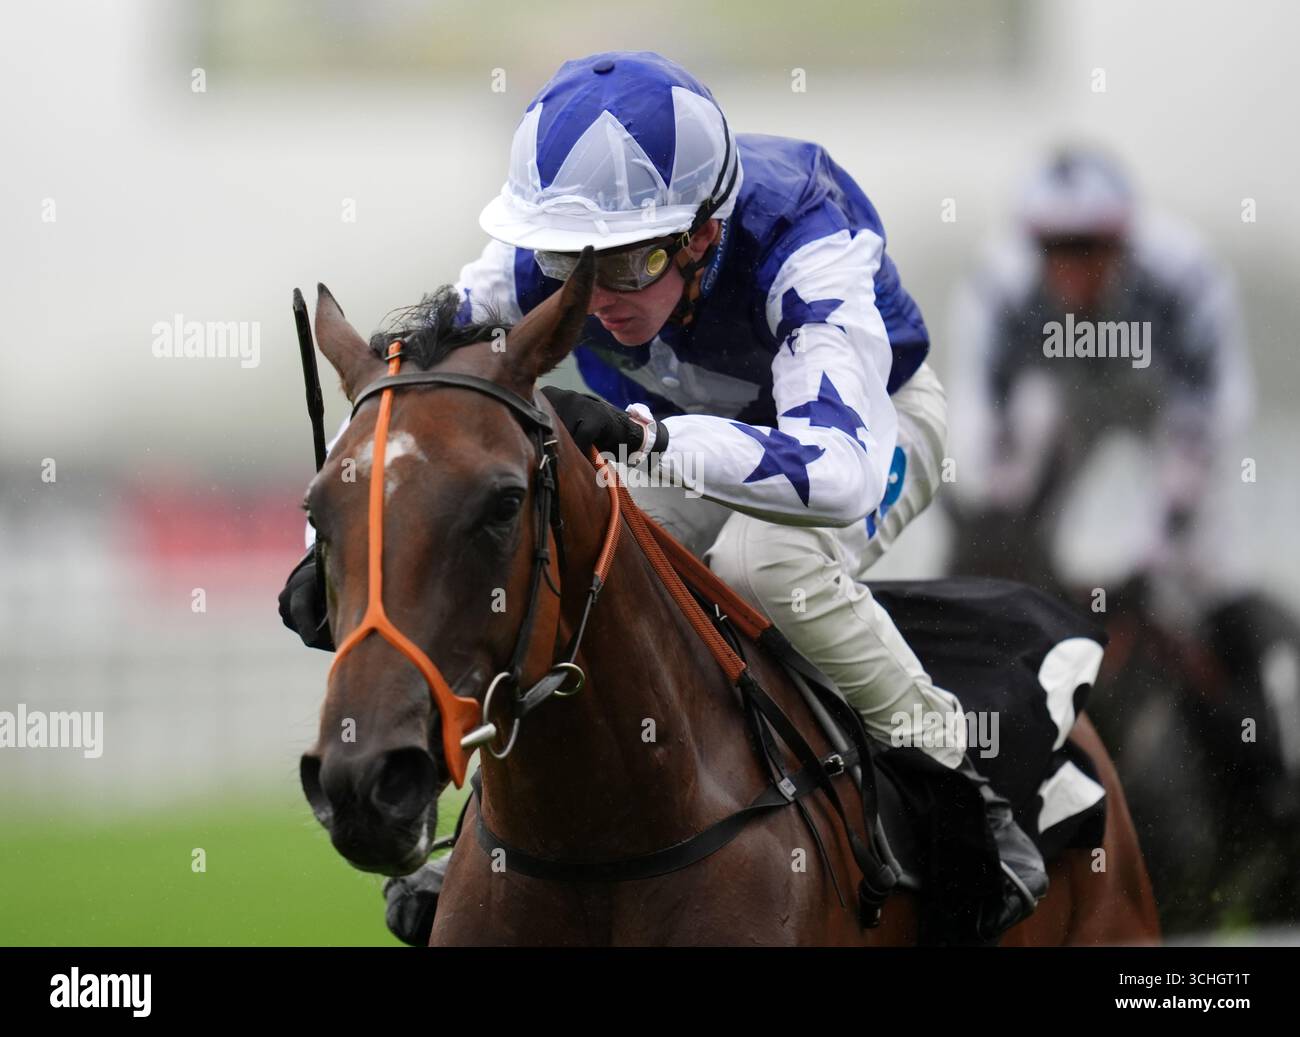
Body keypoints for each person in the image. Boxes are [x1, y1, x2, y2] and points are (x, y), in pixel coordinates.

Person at [282, 51, 1046, 944]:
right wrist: (330, 527)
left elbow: (833, 473)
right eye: (576, 262)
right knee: (575, 552)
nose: (601, 294)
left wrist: (646, 435)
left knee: (771, 560)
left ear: (704, 234)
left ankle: (959, 790)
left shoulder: (807, 238)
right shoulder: (542, 251)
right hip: (678, 431)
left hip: (870, 431)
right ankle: (489, 819)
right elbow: (407, 389)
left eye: (635, 263)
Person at [945, 147, 1255, 631]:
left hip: (1162, 404)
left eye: (1090, 247)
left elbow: (1216, 401)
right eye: (1056, 248)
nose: (1073, 266)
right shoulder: (1000, 285)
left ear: (1123, 241)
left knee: (1190, 558)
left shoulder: (1184, 273)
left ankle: (1220, 668)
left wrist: (1177, 508)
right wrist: (1001, 500)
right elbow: (981, 407)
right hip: (1067, 405)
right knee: (1019, 489)